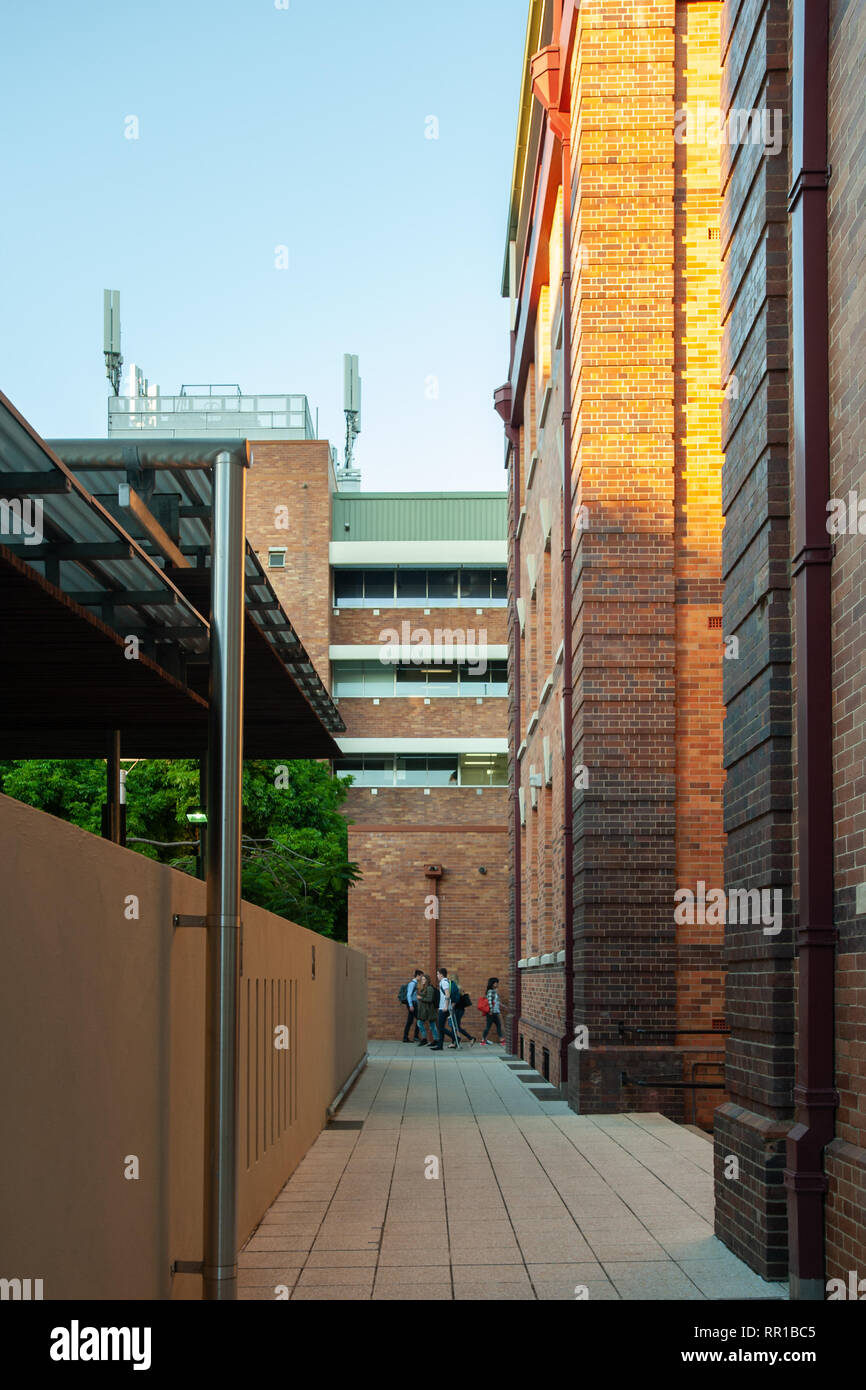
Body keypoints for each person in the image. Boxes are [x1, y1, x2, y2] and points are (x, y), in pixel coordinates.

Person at [444, 974, 476, 1047]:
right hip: (459, 1009)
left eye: (450, 979)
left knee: (456, 1026)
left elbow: (456, 1000)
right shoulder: (458, 987)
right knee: (454, 1026)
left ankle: (470, 1038)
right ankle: (455, 1041)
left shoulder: (456, 988)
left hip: (457, 1009)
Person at [429, 966, 451, 1051]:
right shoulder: (444, 982)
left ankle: (454, 1037)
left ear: (441, 975)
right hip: (442, 1007)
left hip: (444, 1008)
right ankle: (440, 1045)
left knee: (440, 1027)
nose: (437, 975)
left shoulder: (444, 982)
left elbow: (447, 994)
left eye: (438, 974)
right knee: (441, 1027)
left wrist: (445, 1006)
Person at [415, 973, 440, 1047]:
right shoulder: (424, 988)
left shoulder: (429, 988)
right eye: (422, 979)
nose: (422, 980)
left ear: (427, 980)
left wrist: (420, 998)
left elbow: (429, 999)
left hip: (429, 1010)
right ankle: (428, 1039)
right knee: (423, 1024)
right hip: (424, 1010)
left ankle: (433, 1040)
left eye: (424, 979)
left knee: (430, 1025)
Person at [480, 976, 505, 1045]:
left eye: (497, 983)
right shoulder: (491, 991)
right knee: (489, 1026)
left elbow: (497, 1002)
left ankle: (501, 1039)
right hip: (491, 1012)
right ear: (492, 984)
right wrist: (490, 1010)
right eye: (496, 983)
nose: (497, 984)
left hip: (495, 1012)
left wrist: (503, 1006)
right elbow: (490, 1001)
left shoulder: (495, 991)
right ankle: (483, 1040)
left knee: (498, 1025)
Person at [403, 969, 423, 1042]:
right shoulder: (412, 984)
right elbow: (409, 995)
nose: (421, 978)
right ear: (417, 976)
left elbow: (414, 995)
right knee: (418, 1019)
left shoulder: (415, 983)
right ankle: (414, 1037)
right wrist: (411, 1005)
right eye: (421, 976)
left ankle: (407, 1037)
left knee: (411, 1020)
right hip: (412, 1004)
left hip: (414, 1003)